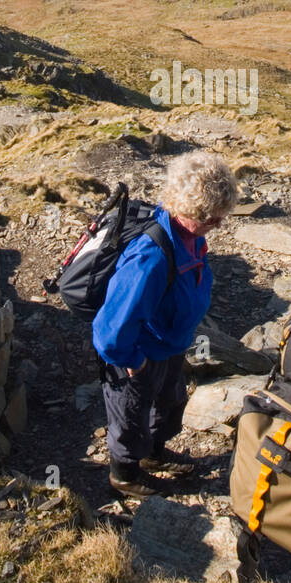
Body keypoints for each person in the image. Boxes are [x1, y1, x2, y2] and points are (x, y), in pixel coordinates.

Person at [93, 151, 238, 499]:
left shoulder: (190, 234)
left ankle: (155, 454)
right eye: (212, 219)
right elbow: (109, 330)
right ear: (188, 210)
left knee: (170, 403)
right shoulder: (150, 257)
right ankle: (124, 474)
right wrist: (133, 361)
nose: (218, 226)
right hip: (139, 355)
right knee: (130, 415)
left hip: (170, 345)